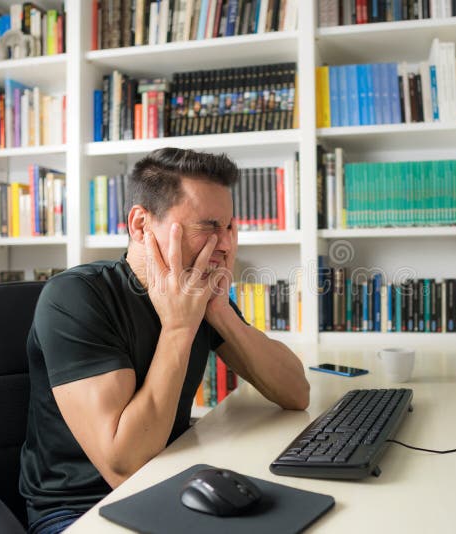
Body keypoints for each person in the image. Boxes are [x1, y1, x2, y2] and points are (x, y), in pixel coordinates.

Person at [19, 148, 310, 533]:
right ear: (140, 225)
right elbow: (123, 466)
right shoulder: (75, 297)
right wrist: (177, 329)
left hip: (172, 478)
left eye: (228, 228)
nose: (223, 245)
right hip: (80, 512)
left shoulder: (197, 292)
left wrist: (220, 313)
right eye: (207, 227)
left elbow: (296, 393)